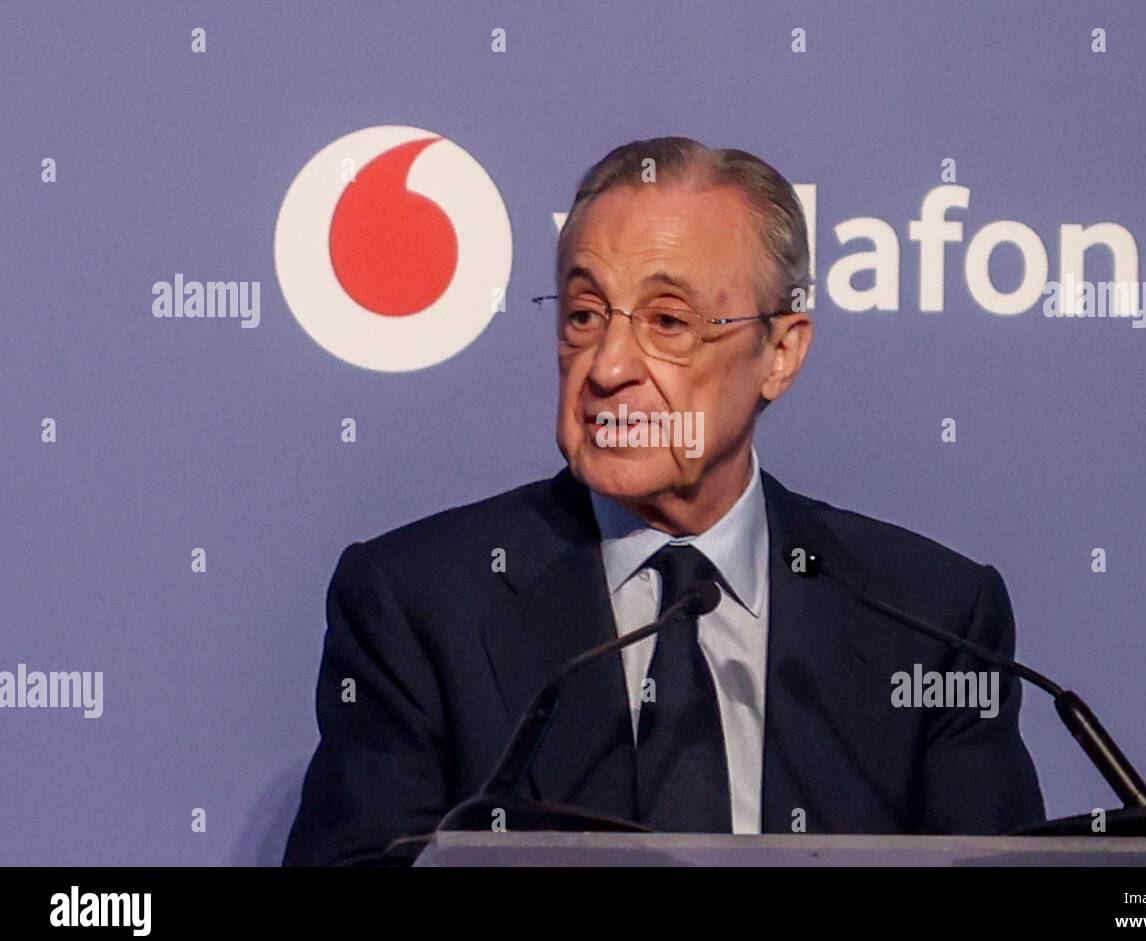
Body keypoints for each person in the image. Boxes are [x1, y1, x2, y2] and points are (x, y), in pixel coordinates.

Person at [283, 136, 1045, 866]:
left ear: (780, 353)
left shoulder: (931, 617)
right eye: (584, 316)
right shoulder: (418, 602)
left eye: (669, 323)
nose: (609, 366)